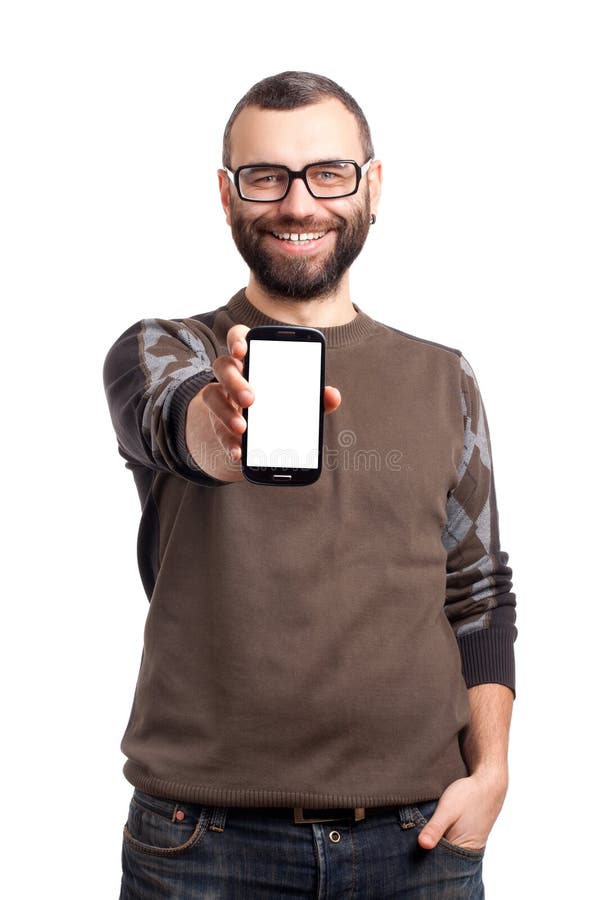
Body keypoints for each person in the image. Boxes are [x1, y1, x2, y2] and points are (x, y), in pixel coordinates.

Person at [103, 70, 517, 899]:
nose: (298, 205)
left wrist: (493, 773)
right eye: (266, 177)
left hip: (420, 843)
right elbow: (175, 419)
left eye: (328, 174)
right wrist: (220, 427)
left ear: (371, 187)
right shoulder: (162, 350)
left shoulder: (444, 378)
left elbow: (476, 594)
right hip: (202, 847)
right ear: (227, 195)